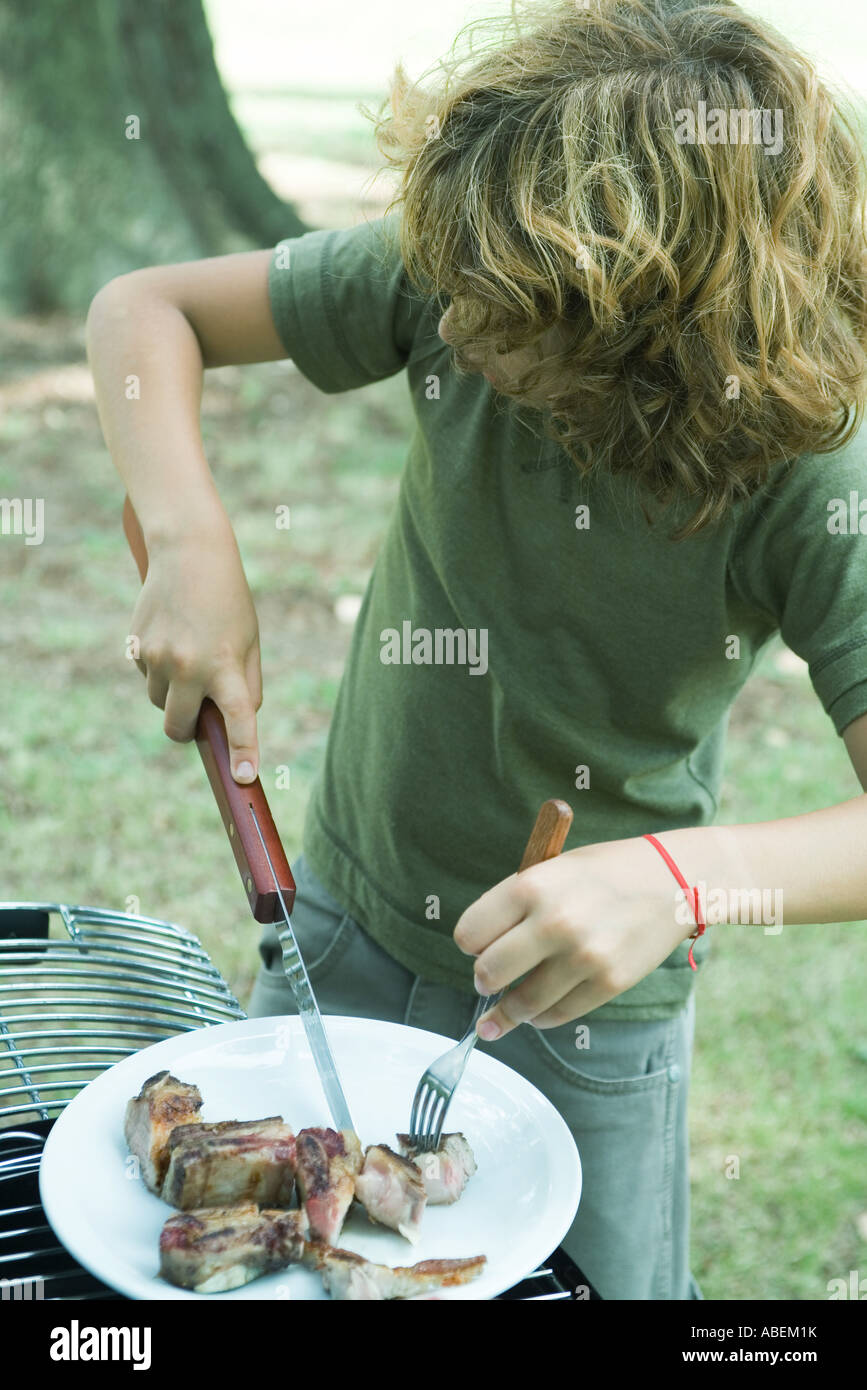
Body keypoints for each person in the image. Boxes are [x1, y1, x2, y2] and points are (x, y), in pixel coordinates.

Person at [86, 0, 867, 1300]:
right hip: (338, 917)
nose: (445, 332)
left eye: (490, 323)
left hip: (585, 1013)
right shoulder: (466, 263)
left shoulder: (804, 465)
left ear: (642, 337)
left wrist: (681, 881)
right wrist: (186, 539)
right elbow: (141, 314)